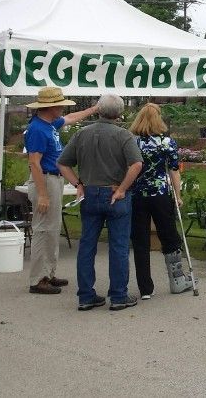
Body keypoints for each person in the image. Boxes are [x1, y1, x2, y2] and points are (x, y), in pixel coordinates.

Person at [57, 94, 144, 311]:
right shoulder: (123, 135)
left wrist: (78, 184)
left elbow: (62, 163)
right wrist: (123, 189)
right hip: (115, 194)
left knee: (87, 245)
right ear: (119, 113)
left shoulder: (82, 134)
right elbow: (136, 165)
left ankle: (86, 296)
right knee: (119, 246)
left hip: (90, 193)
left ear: (99, 110)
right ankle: (118, 295)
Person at [23, 87, 98, 295]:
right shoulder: (38, 129)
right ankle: (38, 278)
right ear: (51, 107)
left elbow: (71, 118)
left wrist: (94, 109)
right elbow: (34, 163)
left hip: (53, 179)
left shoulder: (49, 124)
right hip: (45, 180)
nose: (63, 108)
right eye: (60, 105)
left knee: (52, 229)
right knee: (43, 230)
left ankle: (48, 272)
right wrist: (43, 194)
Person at [128, 103, 186, 300]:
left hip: (137, 195)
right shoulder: (167, 142)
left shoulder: (132, 142)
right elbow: (174, 170)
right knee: (169, 235)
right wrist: (178, 195)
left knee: (140, 240)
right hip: (160, 194)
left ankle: (145, 288)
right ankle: (177, 280)